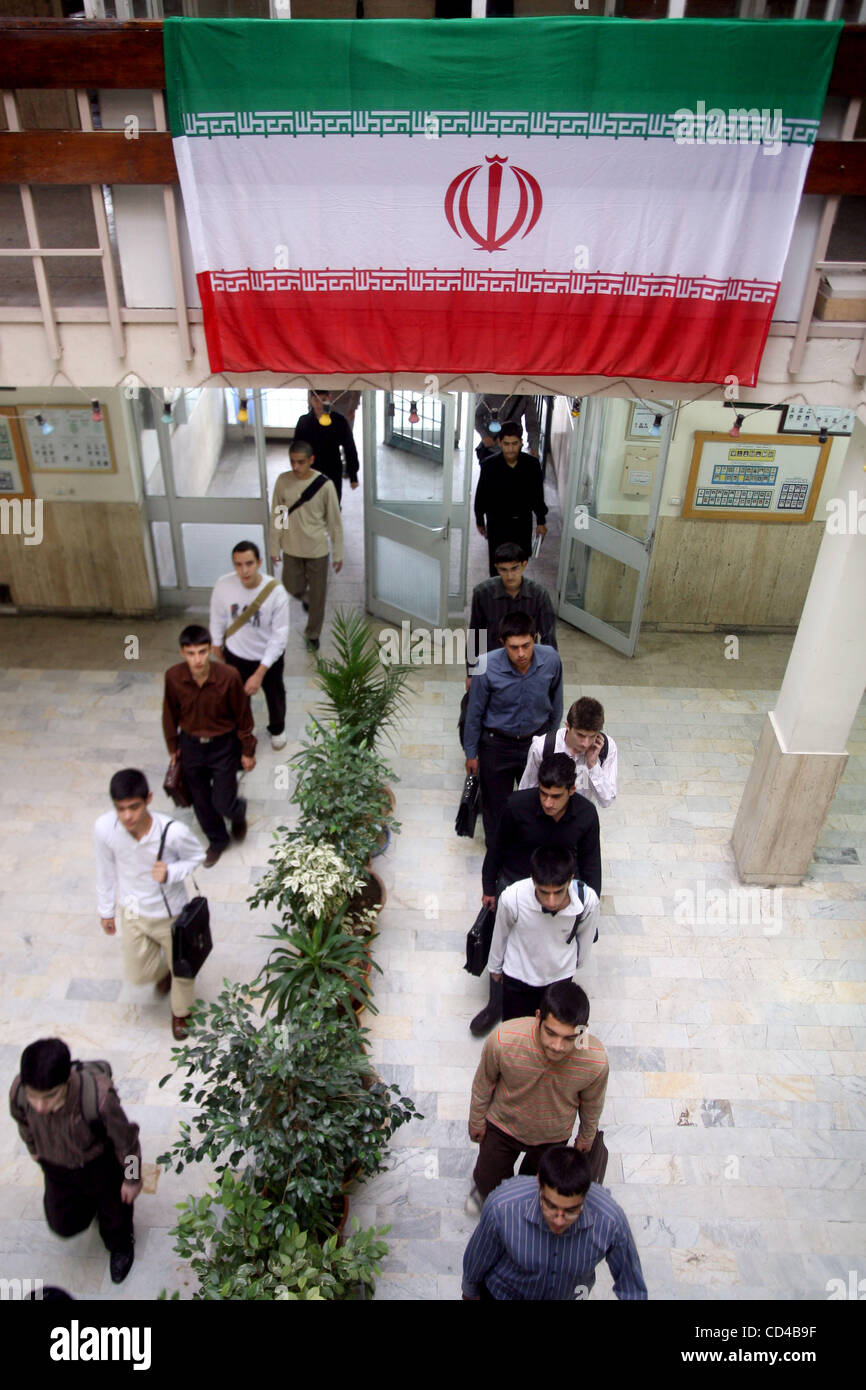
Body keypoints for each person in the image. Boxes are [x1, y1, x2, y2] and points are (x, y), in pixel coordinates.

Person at [466, 981, 608, 1213]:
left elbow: (593, 1103)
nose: (557, 1046)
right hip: (502, 1127)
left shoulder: (595, 1061)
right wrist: (476, 1120)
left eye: (569, 1038)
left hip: (552, 1137)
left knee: (536, 1192)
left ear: (583, 1029)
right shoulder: (504, 1040)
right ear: (538, 1017)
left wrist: (586, 1137)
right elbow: (484, 1083)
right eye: (550, 1033)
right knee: (488, 1183)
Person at [9, 1038, 142, 1285]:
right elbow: (22, 1120)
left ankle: (121, 1245)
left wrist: (132, 1179)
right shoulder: (19, 1090)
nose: (39, 1106)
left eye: (49, 1096)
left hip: (99, 1166)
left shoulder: (99, 1098)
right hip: (55, 1165)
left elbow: (128, 1142)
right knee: (62, 1223)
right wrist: (33, 1148)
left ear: (67, 1081)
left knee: (115, 1215)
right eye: (33, 1096)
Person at [95, 768, 206, 1040]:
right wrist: (106, 910)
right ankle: (164, 969)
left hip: (171, 912)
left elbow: (197, 857)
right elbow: (105, 869)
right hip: (132, 910)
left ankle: (181, 1013)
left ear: (149, 799)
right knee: (138, 972)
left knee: (183, 969)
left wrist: (170, 872)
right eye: (120, 809)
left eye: (134, 807)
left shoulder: (173, 832)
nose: (127, 816)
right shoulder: (104, 829)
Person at [461, 1145, 647, 1301]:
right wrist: (470, 1294)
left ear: (586, 1195)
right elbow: (477, 1259)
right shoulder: (503, 1206)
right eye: (550, 1206)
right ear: (539, 1182)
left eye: (571, 1210)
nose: (559, 1220)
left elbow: (631, 1286)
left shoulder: (610, 1220)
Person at [463, 611, 562, 846]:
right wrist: (471, 753)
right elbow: (474, 713)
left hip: (535, 743)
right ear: (502, 643)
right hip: (496, 745)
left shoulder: (551, 660)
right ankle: (497, 853)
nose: (521, 653)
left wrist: (551, 744)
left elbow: (556, 705)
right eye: (513, 647)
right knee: (496, 807)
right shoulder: (485, 666)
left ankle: (529, 849)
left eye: (526, 645)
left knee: (536, 801)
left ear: (535, 638)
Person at [162, 624, 256, 866]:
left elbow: (243, 716)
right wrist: (173, 748)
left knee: (222, 800)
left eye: (203, 652)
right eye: (191, 653)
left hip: (223, 745)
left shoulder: (229, 677)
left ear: (210, 651)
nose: (197, 659)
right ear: (183, 652)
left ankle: (237, 812)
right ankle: (218, 841)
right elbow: (169, 714)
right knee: (200, 801)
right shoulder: (173, 677)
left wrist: (247, 750)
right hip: (191, 746)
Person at [488, 845, 599, 1023]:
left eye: (558, 892)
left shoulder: (587, 901)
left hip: (560, 976)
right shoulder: (513, 898)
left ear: (570, 880)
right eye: (544, 892)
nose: (551, 901)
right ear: (533, 880)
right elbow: (501, 932)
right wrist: (495, 967)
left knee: (553, 1026)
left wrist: (576, 963)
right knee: (515, 1026)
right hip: (518, 974)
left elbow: (585, 937)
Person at [209, 539, 290, 751]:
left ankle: (278, 728)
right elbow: (217, 616)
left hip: (268, 656)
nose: (244, 570)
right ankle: (246, 727)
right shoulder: (223, 585)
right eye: (238, 564)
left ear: (259, 562)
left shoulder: (276, 592)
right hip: (236, 654)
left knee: (274, 694)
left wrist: (260, 672)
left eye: (249, 563)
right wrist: (216, 642)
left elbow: (279, 636)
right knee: (238, 696)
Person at [269, 440, 344, 653]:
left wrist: (338, 553)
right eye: (292, 462)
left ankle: (313, 635)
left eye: (300, 462)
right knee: (291, 585)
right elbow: (278, 516)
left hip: (317, 550)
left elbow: (334, 522)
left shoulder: (325, 486)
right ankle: (306, 598)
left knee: (318, 596)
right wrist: (275, 548)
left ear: (311, 460)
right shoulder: (283, 482)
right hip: (291, 547)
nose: (295, 467)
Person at [466, 542, 556, 685]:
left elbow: (548, 638)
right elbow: (476, 635)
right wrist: (471, 673)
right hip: (493, 665)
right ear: (496, 568)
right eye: (503, 569)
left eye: (514, 568)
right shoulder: (483, 594)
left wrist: (547, 674)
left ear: (524, 565)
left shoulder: (539, 595)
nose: (509, 575)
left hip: (526, 666)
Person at [474, 420, 547, 575]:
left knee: (517, 567)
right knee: (497, 567)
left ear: (521, 442)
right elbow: (482, 495)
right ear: (499, 443)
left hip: (522, 524)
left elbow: (537, 496)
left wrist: (541, 521)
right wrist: (480, 520)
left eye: (514, 443)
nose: (510, 449)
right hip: (497, 524)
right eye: (506, 444)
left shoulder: (532, 466)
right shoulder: (489, 466)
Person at [520, 696, 618, 809]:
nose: (585, 743)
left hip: (581, 817)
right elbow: (526, 789)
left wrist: (593, 765)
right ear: (568, 726)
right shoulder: (543, 747)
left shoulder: (606, 748)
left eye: (592, 736)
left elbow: (607, 800)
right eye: (580, 735)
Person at [292, 388, 359, 504]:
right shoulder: (304, 422)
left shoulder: (339, 421)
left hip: (333, 469)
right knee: (311, 505)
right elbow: (296, 449)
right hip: (310, 470)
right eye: (315, 400)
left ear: (329, 398)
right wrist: (297, 470)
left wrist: (353, 475)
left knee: (333, 505)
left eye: (323, 400)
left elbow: (349, 448)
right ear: (310, 399)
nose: (319, 404)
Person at [475, 394, 540, 463]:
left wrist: (534, 447)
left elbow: (532, 425)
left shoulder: (525, 396)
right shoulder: (489, 394)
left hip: (512, 449)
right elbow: (476, 416)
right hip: (492, 447)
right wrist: (484, 435)